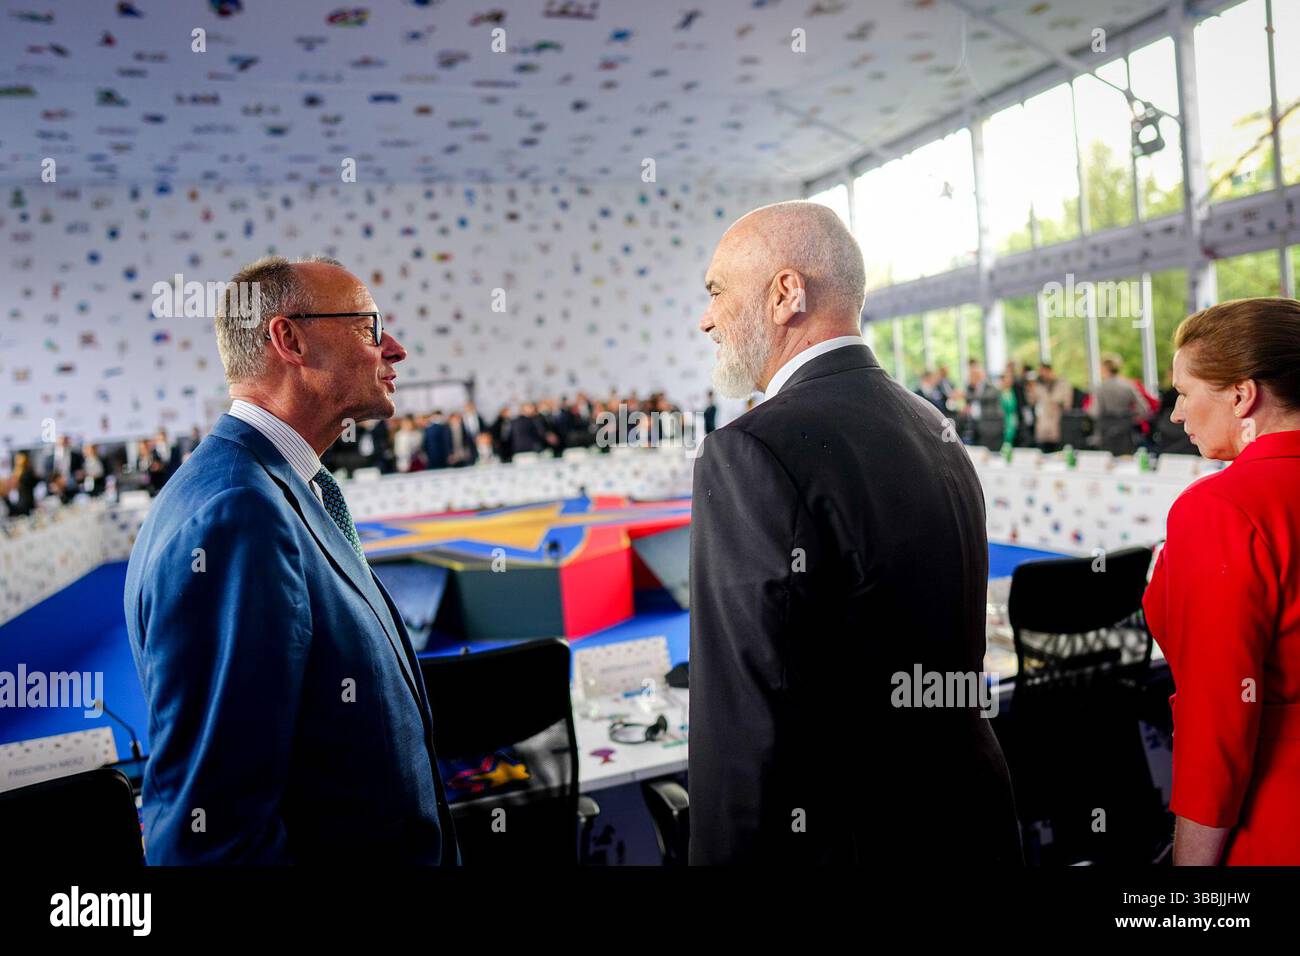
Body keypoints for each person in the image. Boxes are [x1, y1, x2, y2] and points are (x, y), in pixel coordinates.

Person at [690, 201, 1020, 865]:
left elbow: (744, 719)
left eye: (717, 291)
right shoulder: (932, 423)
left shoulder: (752, 449)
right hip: (972, 815)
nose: (706, 319)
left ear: (786, 293)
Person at [124, 255, 458, 866]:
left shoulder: (276, 487)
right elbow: (214, 837)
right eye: (370, 327)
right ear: (290, 340)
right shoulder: (237, 512)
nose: (396, 349)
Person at [1143, 297, 1300, 866]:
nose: (1176, 414)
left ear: (1241, 395)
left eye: (1185, 393)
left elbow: (1218, 717)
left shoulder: (1221, 509)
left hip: (1275, 821)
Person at [1090, 355, 1147, 456]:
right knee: (1126, 460)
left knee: (1107, 459)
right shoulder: (1128, 385)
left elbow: (1096, 412)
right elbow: (1144, 409)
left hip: (1106, 433)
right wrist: (1131, 418)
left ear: (1105, 369)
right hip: (1126, 431)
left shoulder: (1101, 388)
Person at [1032, 362, 1072, 452]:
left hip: (1058, 426)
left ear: (1049, 371)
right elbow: (1032, 402)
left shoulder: (1062, 384)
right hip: (1043, 428)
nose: (1042, 375)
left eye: (1044, 372)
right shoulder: (1038, 386)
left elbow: (1067, 404)